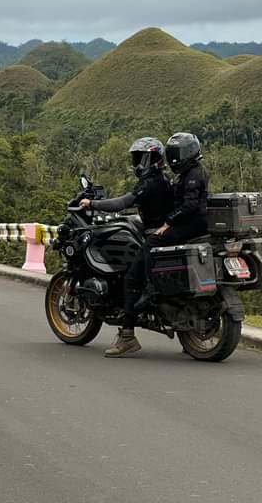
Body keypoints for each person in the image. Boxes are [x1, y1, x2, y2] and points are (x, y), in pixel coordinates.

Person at [79, 132, 209, 358]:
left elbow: (123, 202)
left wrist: (92, 203)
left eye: (141, 159)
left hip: (164, 230)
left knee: (132, 278)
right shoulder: (170, 180)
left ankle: (127, 335)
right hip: (177, 227)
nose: (137, 163)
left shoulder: (151, 183)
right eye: (136, 159)